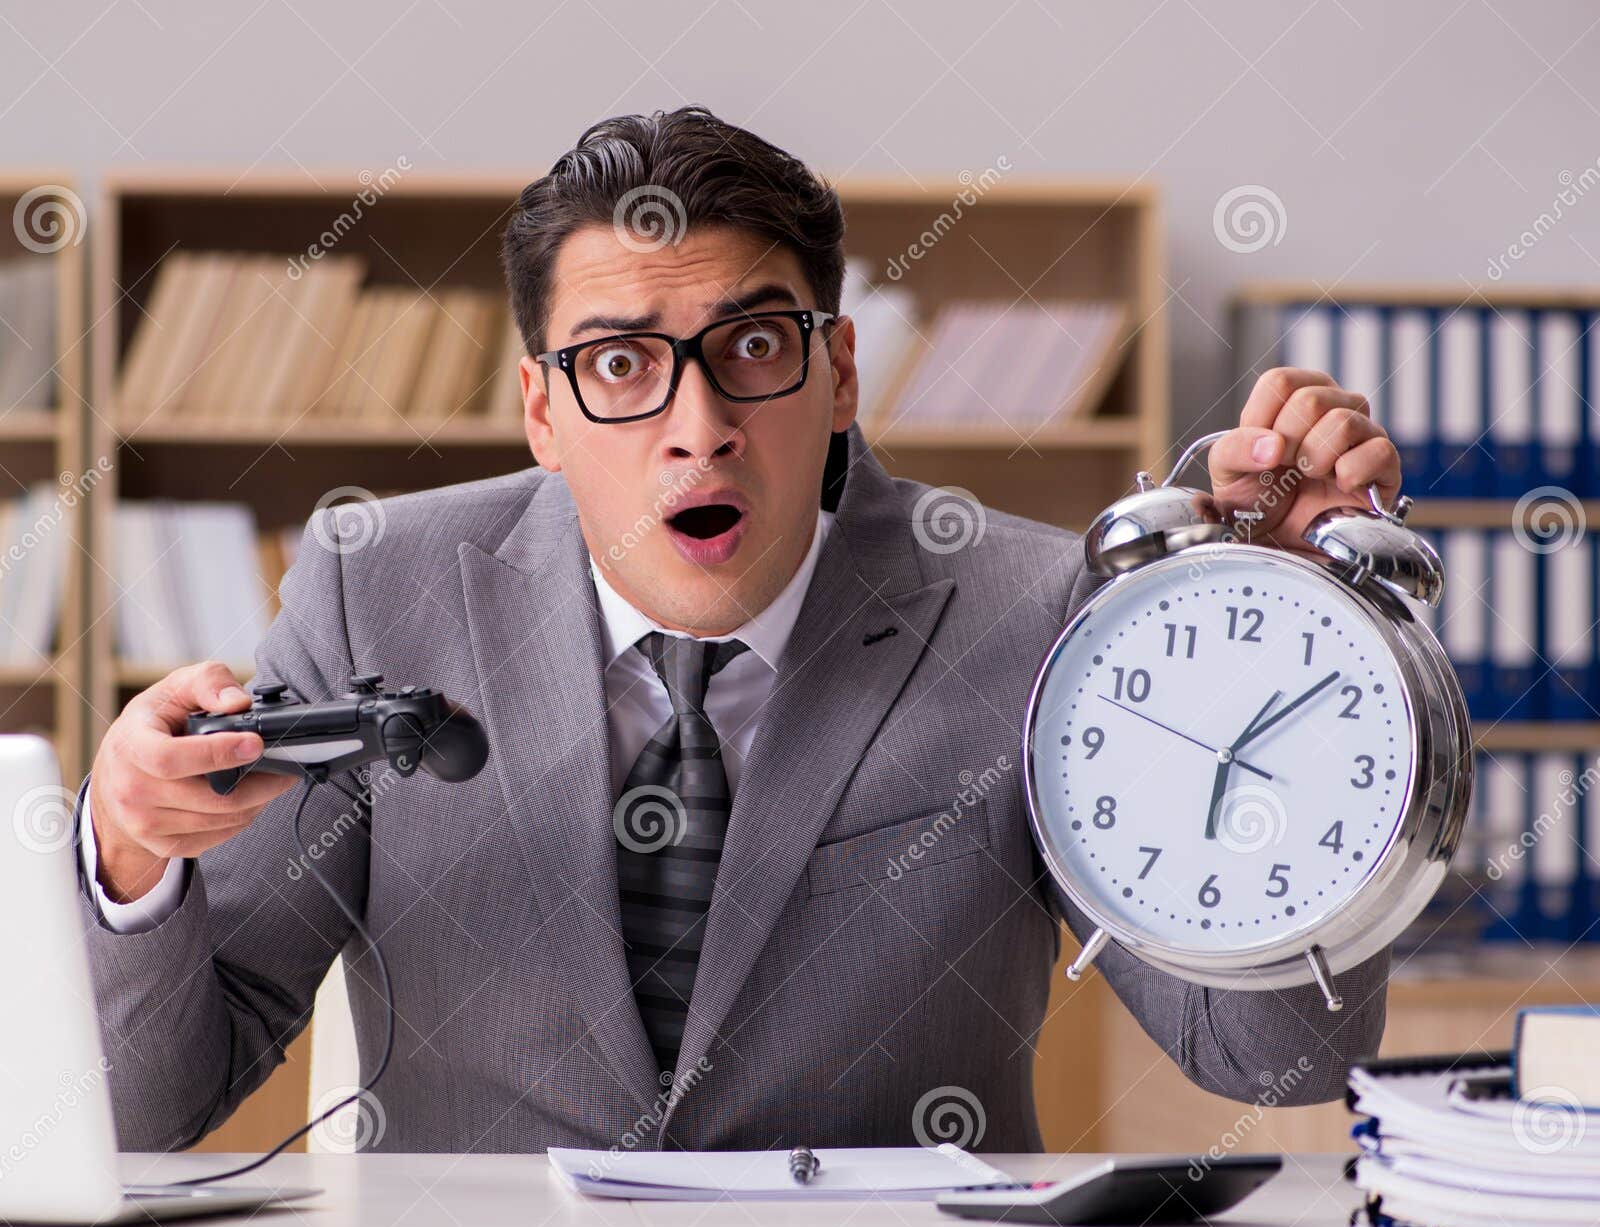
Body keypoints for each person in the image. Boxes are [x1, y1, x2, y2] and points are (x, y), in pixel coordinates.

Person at [78, 106, 1401, 1154]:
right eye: (619, 364)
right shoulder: (380, 588)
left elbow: (1274, 1063)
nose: (699, 427)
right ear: (541, 412)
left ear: (839, 372)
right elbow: (149, 1109)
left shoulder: (1038, 613)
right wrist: (131, 855)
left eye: (755, 347)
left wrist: (1283, 643)